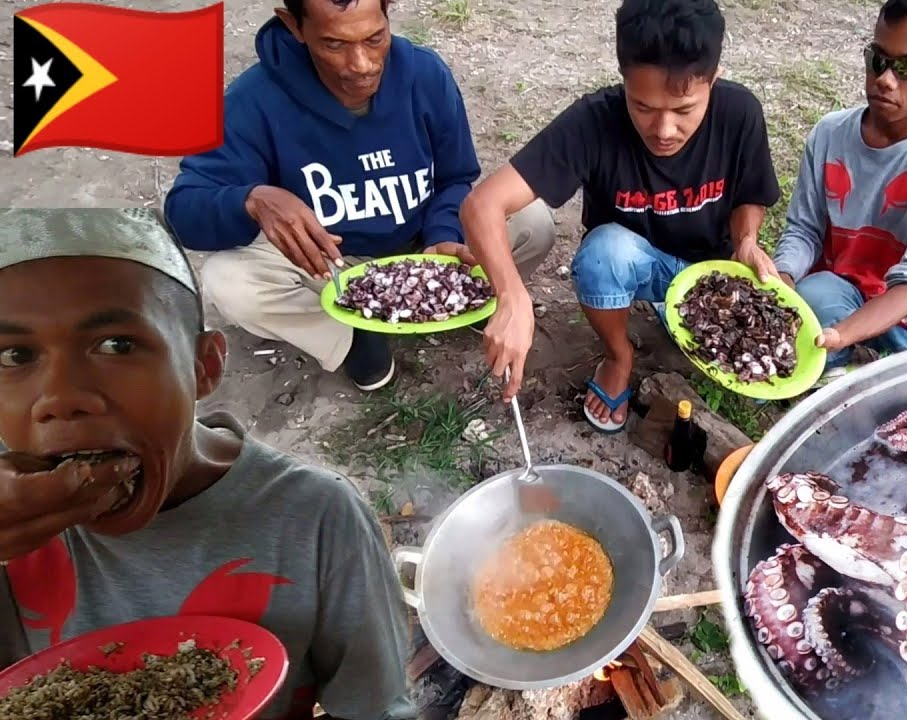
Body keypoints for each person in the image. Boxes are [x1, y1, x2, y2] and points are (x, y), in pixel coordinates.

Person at [0, 209, 415, 720]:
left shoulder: (315, 520)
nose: (60, 398)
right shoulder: (10, 533)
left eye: (118, 345)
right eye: (14, 357)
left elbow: (376, 707)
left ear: (205, 367)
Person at [164, 0, 556, 393]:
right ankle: (350, 338)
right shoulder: (254, 100)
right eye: (334, 44)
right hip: (331, 265)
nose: (361, 64)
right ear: (294, 26)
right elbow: (184, 211)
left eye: (375, 38)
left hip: (426, 244)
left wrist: (442, 234)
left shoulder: (424, 74)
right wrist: (252, 198)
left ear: (388, 12)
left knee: (532, 223)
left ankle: (467, 301)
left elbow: (456, 177)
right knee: (228, 281)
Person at [460, 0, 782, 433]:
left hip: (712, 277)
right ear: (625, 79)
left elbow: (750, 193)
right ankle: (618, 355)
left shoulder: (740, 113)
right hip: (630, 263)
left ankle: (678, 321)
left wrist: (746, 240)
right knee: (603, 252)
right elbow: (482, 205)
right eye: (644, 107)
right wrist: (512, 295)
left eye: (684, 110)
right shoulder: (594, 121)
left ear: (713, 79)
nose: (664, 130)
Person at [771, 0, 907, 379]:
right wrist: (782, 283)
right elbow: (803, 230)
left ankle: (851, 359)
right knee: (814, 298)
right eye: (878, 58)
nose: (886, 78)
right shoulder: (830, 134)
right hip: (834, 292)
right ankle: (841, 364)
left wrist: (843, 335)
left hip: (905, 313)